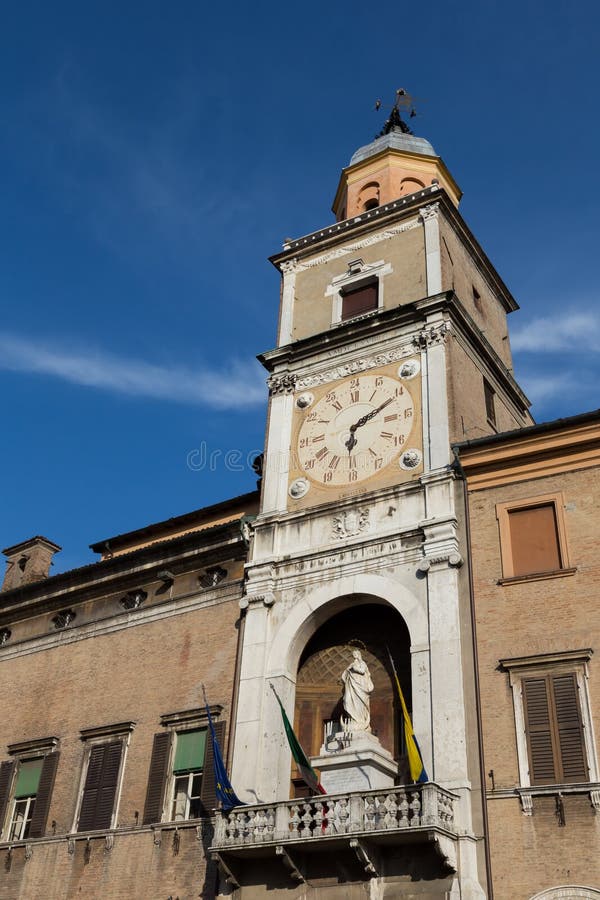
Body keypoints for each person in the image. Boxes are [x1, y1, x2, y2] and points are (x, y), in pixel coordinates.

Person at [341, 649, 374, 732]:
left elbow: (362, 671)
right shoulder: (352, 664)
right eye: (353, 654)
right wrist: (347, 670)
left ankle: (360, 721)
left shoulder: (362, 663)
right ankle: (352, 720)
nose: (354, 655)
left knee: (360, 703)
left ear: (359, 654)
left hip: (360, 686)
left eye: (355, 653)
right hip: (351, 686)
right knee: (347, 701)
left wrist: (354, 668)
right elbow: (344, 676)